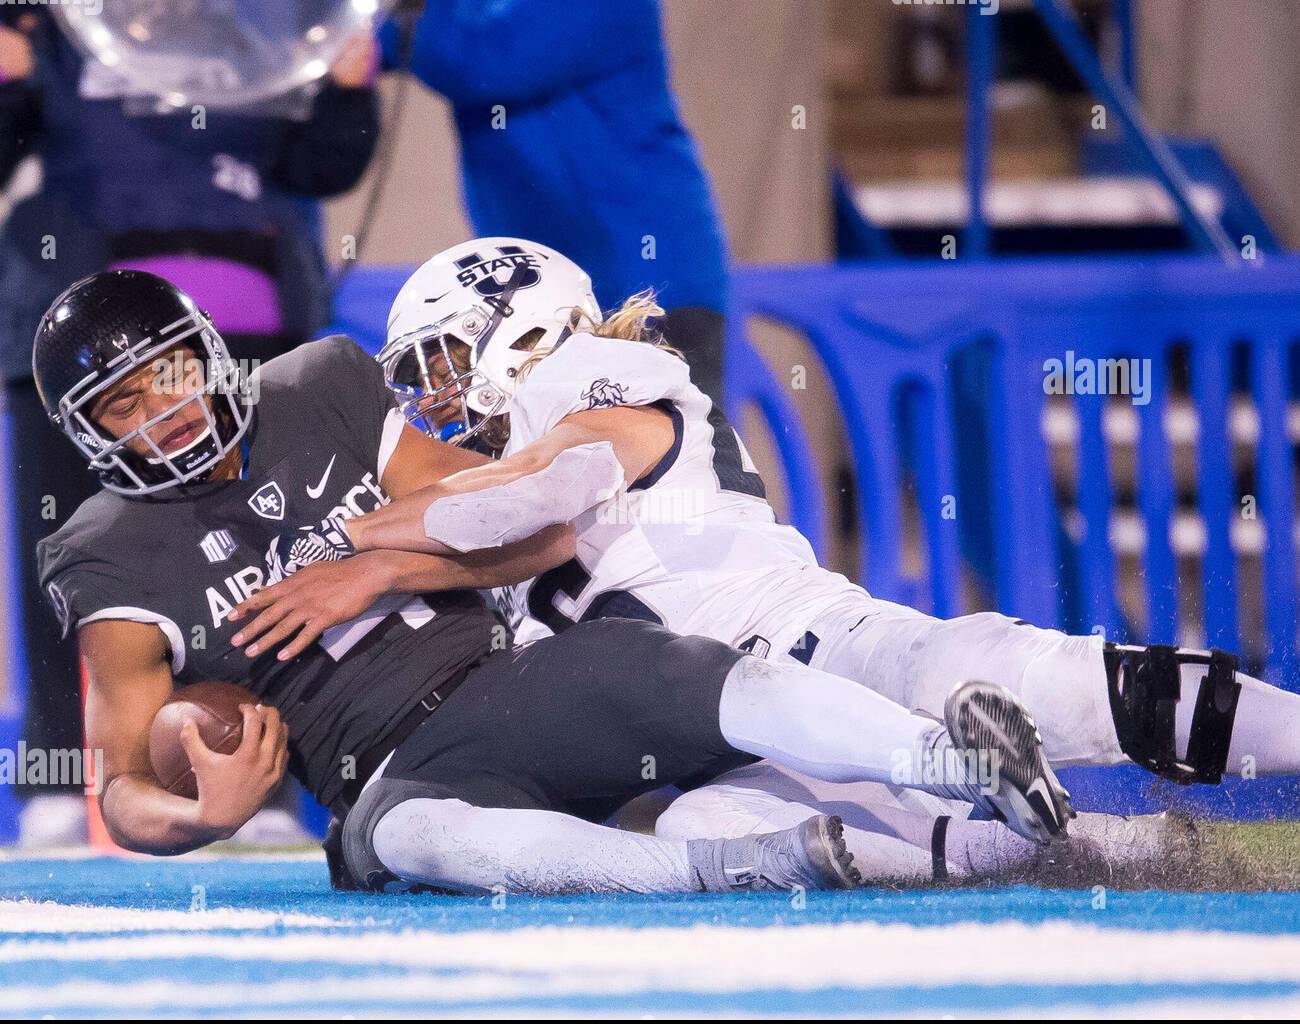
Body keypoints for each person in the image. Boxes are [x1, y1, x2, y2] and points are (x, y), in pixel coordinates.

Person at [241, 237, 1300, 860]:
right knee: (716, 833)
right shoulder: (489, 463)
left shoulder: (589, 385)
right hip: (728, 738)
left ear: (519, 331)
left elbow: (544, 499)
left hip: (805, 644)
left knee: (983, 674)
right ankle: (1099, 850)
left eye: (437, 361)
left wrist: (365, 540)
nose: (429, 396)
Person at [31, 270, 1068, 896]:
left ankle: (955, 762)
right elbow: (119, 785)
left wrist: (372, 568)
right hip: (381, 778)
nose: (158, 411)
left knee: (708, 675)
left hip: (505, 685)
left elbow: (527, 535)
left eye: (165, 373)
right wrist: (202, 818)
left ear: (207, 352)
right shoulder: (108, 547)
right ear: (87, 431)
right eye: (121, 404)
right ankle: (722, 873)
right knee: (422, 837)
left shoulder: (320, 386)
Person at [0, 8, 380, 846]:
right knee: (66, 565)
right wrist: (10, 75)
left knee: (269, 557)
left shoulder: (272, 23)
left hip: (246, 333)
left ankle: (268, 783)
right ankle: (58, 781)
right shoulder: (44, 23)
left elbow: (322, 166)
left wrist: (346, 92)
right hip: (70, 351)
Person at [377, 0, 728, 402]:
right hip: (542, 297)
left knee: (674, 454)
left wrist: (395, 29)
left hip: (646, 284)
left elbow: (491, 60)